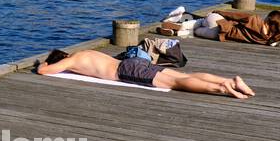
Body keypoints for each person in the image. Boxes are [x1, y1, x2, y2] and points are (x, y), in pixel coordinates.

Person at [36, 49, 254, 99]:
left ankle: (222, 89)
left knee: (178, 83)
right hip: (134, 62)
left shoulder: (74, 60)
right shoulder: (85, 52)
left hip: (127, 71)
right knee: (181, 76)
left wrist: (45, 62)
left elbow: (43, 71)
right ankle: (229, 80)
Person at [192, 9, 280, 45]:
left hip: (220, 25)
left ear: (268, 19)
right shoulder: (267, 40)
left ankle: (184, 23)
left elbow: (234, 15)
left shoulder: (254, 19)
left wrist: (219, 12)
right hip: (217, 36)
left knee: (201, 21)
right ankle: (181, 30)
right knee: (196, 31)